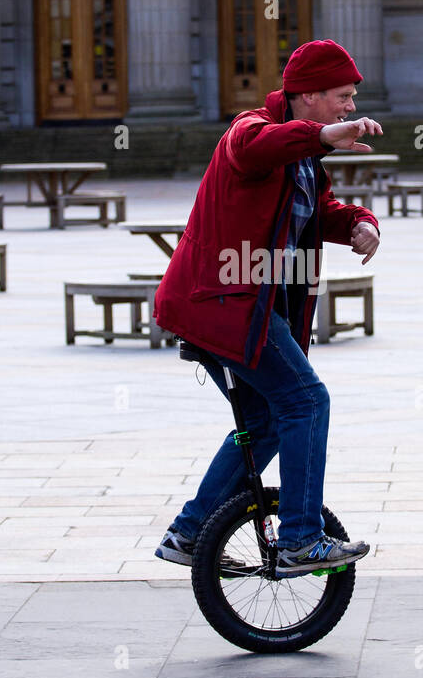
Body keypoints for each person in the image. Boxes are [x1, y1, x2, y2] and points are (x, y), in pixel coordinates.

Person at [152, 39, 382, 577]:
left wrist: (356, 223)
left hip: (241, 306)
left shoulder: (302, 157)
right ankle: (301, 538)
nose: (350, 107)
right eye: (343, 97)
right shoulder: (249, 129)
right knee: (307, 400)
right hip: (220, 302)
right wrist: (324, 137)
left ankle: (189, 533)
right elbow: (254, 149)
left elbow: (315, 210)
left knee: (266, 418)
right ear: (309, 96)